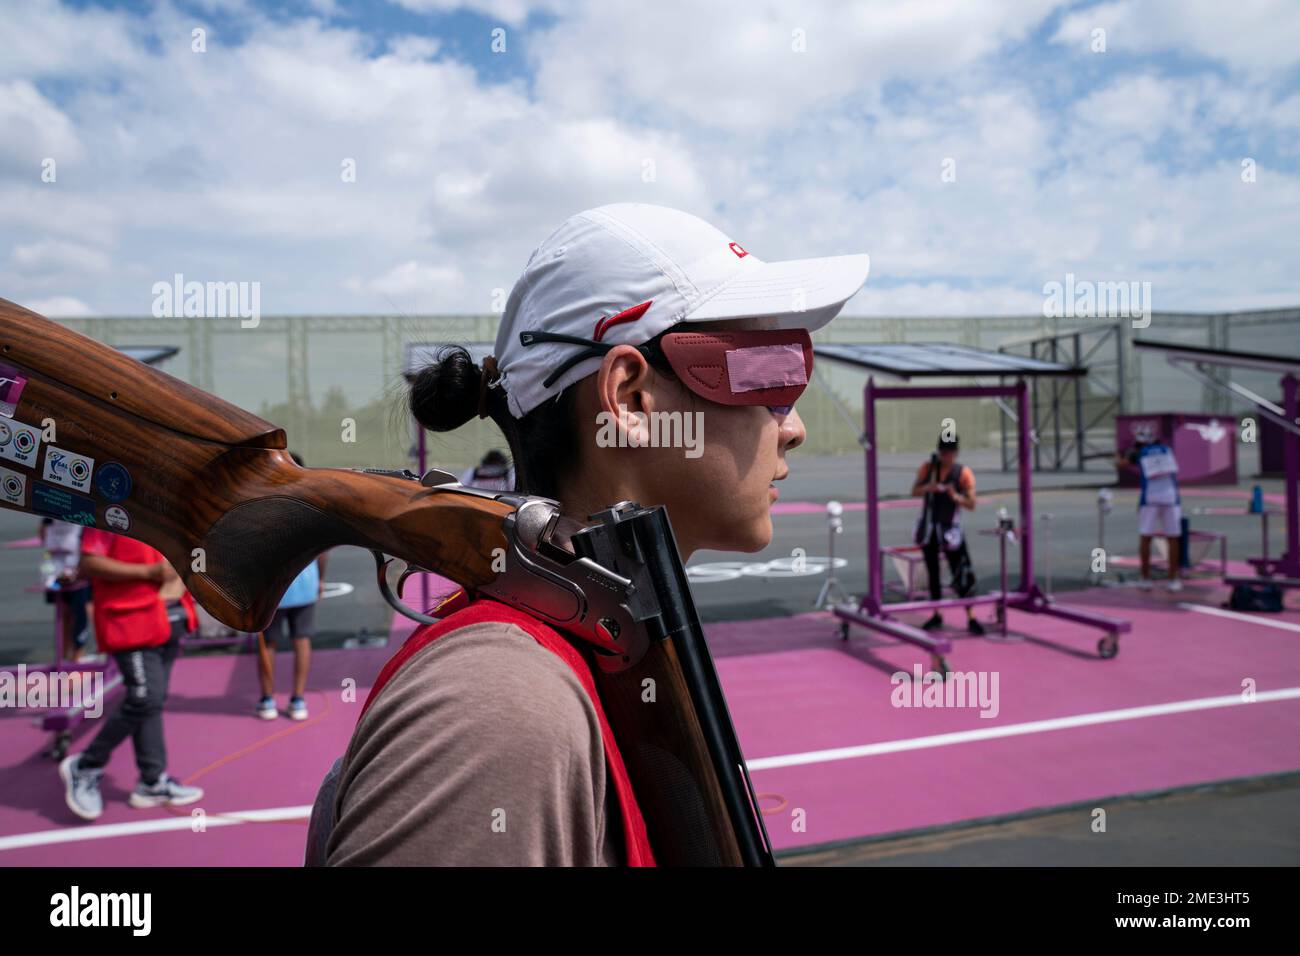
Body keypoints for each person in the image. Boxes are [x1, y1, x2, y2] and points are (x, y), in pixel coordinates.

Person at [323, 202, 870, 865]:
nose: (794, 425)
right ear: (633, 399)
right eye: (769, 373)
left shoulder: (577, 655)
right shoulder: (500, 707)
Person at [58, 528, 204, 821]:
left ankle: (151, 780)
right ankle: (86, 766)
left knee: (153, 700)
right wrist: (150, 571)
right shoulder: (110, 511)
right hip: (132, 619)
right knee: (144, 698)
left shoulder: (165, 510)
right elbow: (90, 563)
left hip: (170, 616)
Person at [255, 452, 327, 721]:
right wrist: (320, 579)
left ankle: (267, 699)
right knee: (302, 640)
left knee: (268, 643)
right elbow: (323, 550)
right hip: (304, 586)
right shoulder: (311, 506)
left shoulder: (262, 505)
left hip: (272, 589)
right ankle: (297, 699)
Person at [911, 434, 984, 634]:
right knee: (933, 574)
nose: (946, 457)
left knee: (962, 571)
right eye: (943, 453)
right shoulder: (928, 468)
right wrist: (929, 487)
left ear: (956, 453)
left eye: (950, 453)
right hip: (930, 528)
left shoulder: (963, 473)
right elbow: (915, 491)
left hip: (951, 529)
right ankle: (936, 614)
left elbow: (971, 504)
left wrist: (955, 497)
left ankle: (971, 616)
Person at [1115, 422, 1182, 591]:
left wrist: (1117, 455)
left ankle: (1146, 579)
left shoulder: (1138, 452)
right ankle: (1173, 579)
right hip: (1171, 498)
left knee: (1146, 538)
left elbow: (1121, 464)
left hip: (1150, 499)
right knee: (1173, 538)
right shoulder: (1167, 450)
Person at [39, 518, 92, 663]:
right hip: (57, 567)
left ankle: (76, 654)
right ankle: (64, 655)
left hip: (76, 567)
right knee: (63, 612)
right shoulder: (49, 511)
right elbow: (43, 531)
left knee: (79, 612)